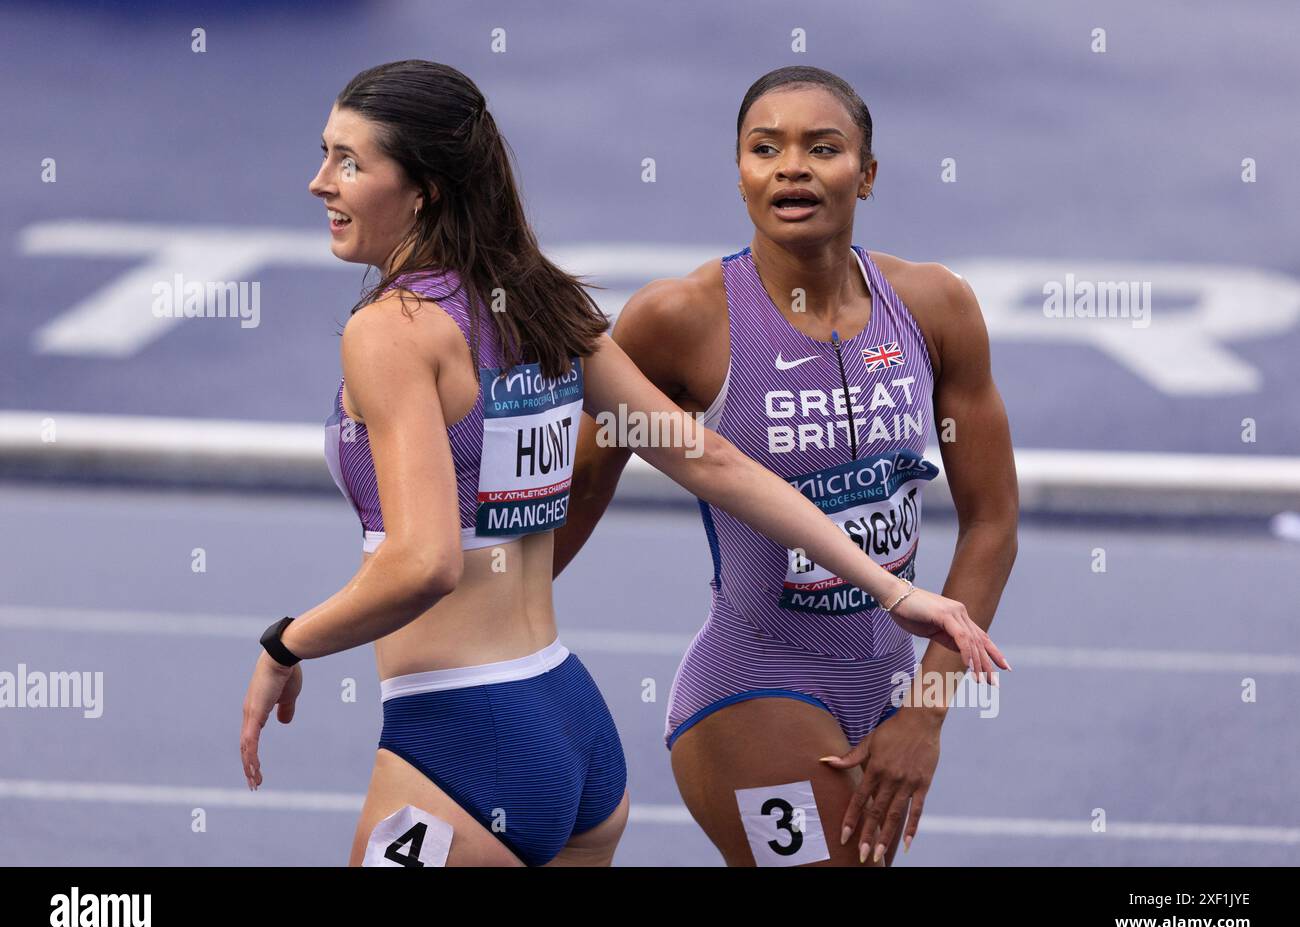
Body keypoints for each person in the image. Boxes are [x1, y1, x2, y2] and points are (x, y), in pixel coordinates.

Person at [240, 60, 1007, 868]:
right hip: (572, 728)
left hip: (460, 732)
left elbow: (424, 563)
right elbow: (712, 460)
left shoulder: (391, 330)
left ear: (424, 184)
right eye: (328, 155)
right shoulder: (541, 301)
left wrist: (285, 644)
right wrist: (896, 588)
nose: (321, 181)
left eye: (349, 161)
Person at [554, 66, 1020, 867]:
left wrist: (926, 710)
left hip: (889, 679)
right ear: (740, 174)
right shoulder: (681, 320)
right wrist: (496, 637)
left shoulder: (936, 308)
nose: (791, 167)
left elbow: (993, 522)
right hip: (753, 681)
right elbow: (582, 483)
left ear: (866, 175)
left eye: (822, 147)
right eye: (764, 148)